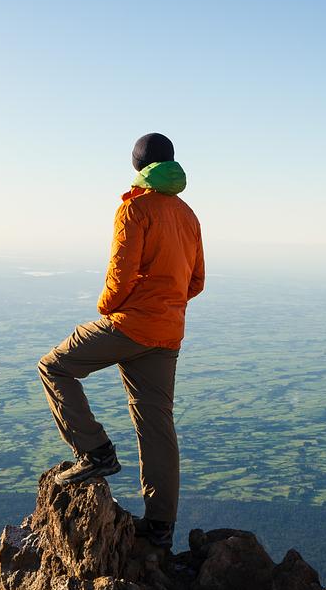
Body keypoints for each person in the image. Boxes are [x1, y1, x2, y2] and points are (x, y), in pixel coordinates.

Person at [36, 133, 204, 550]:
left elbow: (121, 271)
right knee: (156, 423)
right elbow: (196, 281)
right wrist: (167, 305)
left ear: (138, 167)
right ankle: (160, 525)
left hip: (131, 323)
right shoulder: (187, 214)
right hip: (168, 331)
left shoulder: (135, 209)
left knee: (55, 367)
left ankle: (95, 452)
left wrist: (107, 306)